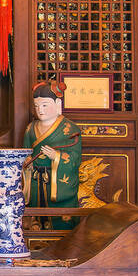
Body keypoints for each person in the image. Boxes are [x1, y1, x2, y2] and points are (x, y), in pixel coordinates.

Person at [22, 78, 82, 230]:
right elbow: (25, 152)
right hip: (35, 180)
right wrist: (26, 162)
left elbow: (75, 158)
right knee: (35, 213)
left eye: (44, 105)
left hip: (56, 182)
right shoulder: (30, 128)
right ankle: (35, 239)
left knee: (59, 218)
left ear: (57, 105)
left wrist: (56, 157)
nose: (40, 110)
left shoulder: (69, 129)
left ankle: (61, 242)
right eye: (36, 106)